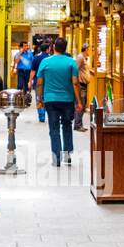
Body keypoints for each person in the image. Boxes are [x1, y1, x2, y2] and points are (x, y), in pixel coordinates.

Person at [35, 36, 80, 167]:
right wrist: (79, 101)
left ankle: (56, 157)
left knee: (54, 128)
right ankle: (67, 155)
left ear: (53, 47)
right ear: (65, 48)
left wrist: (39, 98)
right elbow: (75, 83)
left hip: (51, 100)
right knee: (67, 126)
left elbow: (39, 83)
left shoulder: (45, 62)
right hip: (67, 100)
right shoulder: (71, 62)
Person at [74, 43, 92, 131]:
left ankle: (79, 124)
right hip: (80, 85)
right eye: (90, 49)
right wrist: (76, 83)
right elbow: (75, 69)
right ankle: (77, 125)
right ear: (86, 49)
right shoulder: (80, 57)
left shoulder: (84, 58)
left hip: (84, 85)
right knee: (80, 105)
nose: (91, 51)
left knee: (83, 104)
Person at [33, 44, 50, 122]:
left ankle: (41, 116)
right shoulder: (50, 58)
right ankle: (49, 113)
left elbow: (33, 71)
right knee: (47, 97)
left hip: (38, 80)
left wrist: (30, 81)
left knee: (39, 97)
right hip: (48, 81)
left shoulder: (36, 57)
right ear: (47, 49)